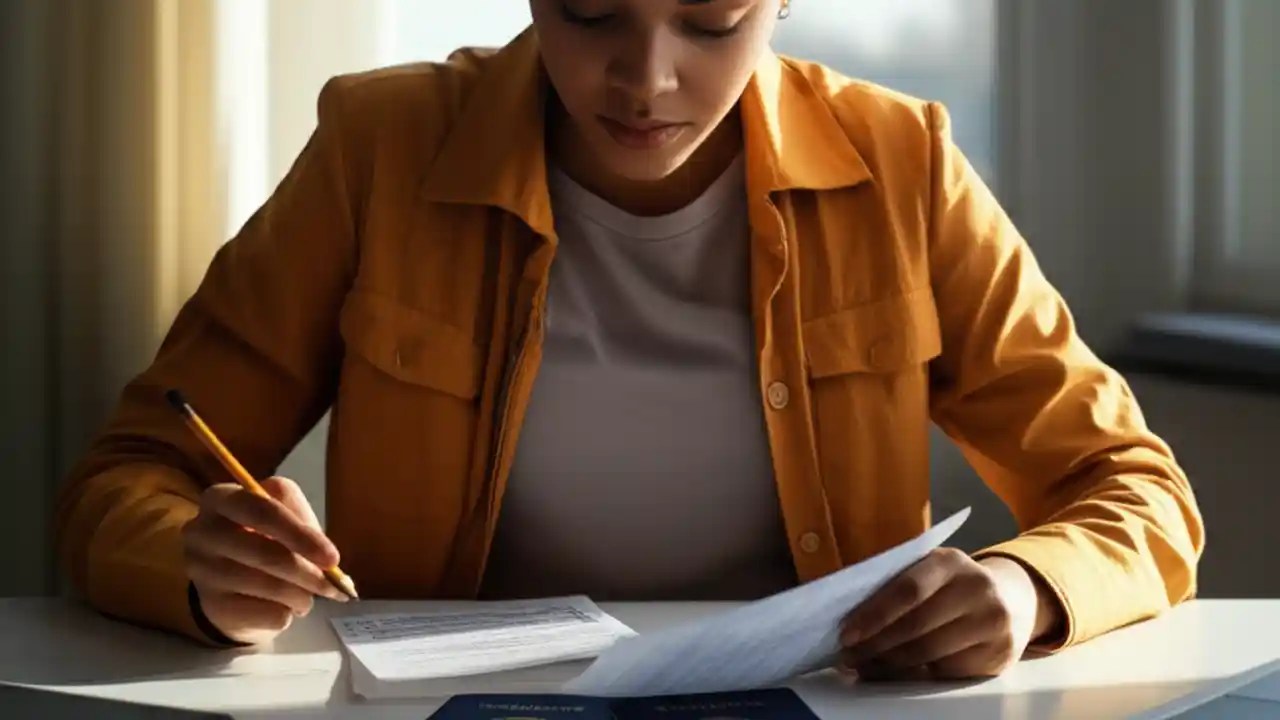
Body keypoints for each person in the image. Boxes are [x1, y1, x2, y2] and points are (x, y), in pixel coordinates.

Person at [53, 0, 1204, 682]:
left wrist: (1022, 588)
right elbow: (129, 479)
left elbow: (1131, 490)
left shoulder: (899, 164)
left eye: (710, 21)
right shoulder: (380, 149)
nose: (645, 79)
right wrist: (201, 570)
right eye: (590, 11)